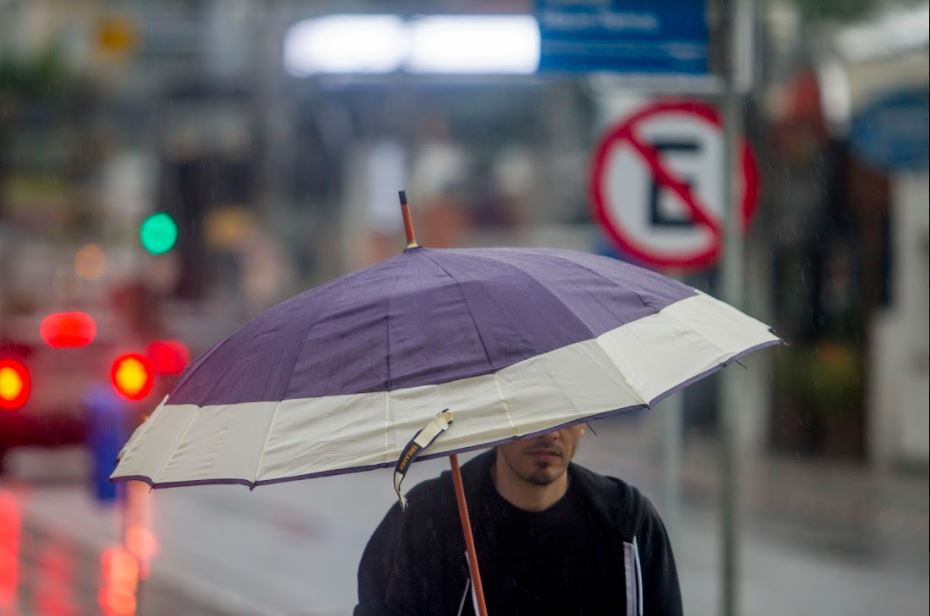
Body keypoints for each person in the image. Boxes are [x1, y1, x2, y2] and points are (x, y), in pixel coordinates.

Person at [355, 424, 682, 615]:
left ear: (584, 421)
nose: (551, 432)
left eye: (566, 409)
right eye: (534, 410)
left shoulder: (629, 527)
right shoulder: (428, 520)